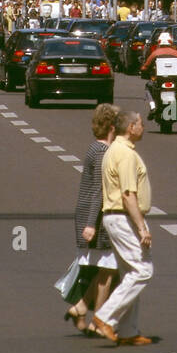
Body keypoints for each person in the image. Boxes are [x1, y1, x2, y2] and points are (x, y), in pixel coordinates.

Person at [91, 110, 154, 346]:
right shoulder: (125, 154)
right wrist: (142, 227)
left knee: (129, 273)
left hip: (116, 216)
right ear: (130, 127)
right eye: (140, 123)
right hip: (123, 216)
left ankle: (128, 331)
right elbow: (128, 195)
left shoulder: (113, 150)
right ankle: (104, 317)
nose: (143, 127)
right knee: (142, 270)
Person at [65, 103, 120, 333]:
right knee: (108, 271)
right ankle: (99, 321)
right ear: (111, 126)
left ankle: (80, 307)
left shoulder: (97, 149)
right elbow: (99, 189)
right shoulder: (101, 153)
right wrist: (90, 225)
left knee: (105, 270)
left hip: (94, 215)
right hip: (96, 217)